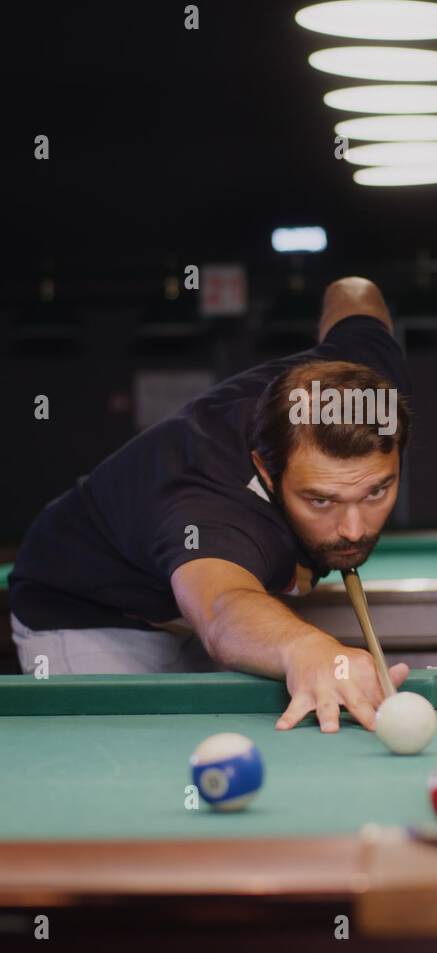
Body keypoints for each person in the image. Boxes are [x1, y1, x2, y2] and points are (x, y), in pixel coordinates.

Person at [9, 276, 412, 732]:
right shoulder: (207, 503)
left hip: (180, 603)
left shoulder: (371, 390)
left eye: (376, 491)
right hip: (90, 611)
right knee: (127, 772)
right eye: (320, 499)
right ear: (266, 471)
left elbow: (353, 291)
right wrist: (306, 647)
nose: (354, 529)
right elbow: (223, 610)